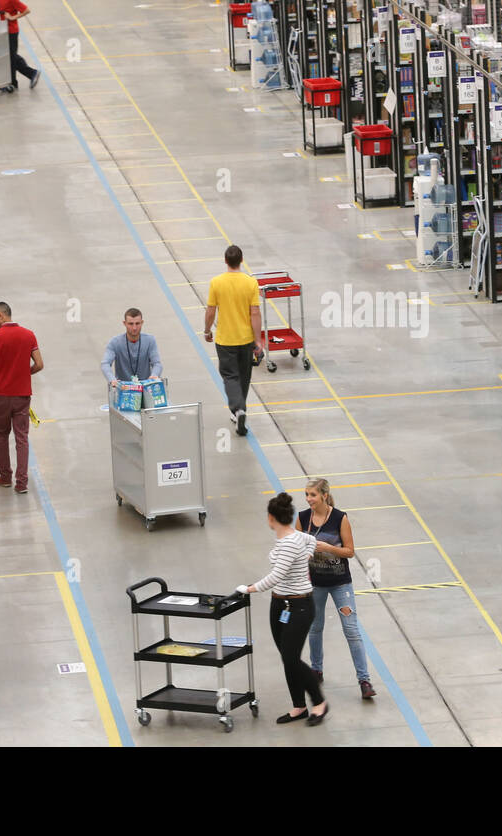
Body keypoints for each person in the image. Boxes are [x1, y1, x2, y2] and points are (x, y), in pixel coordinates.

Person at [235, 493, 328, 726]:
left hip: (299, 606)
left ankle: (319, 703)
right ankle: (299, 706)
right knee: (288, 658)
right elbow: (311, 542)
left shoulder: (288, 543)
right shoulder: (295, 537)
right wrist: (305, 556)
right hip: (280, 605)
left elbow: (276, 575)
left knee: (290, 657)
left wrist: (249, 589)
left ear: (271, 518)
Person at [299, 478, 375, 700]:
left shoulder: (340, 518)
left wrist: (329, 548)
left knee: (351, 630)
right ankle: (317, 670)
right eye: (306, 494)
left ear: (324, 495)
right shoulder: (303, 518)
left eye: (312, 495)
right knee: (315, 627)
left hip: (341, 583)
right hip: (315, 583)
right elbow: (296, 545)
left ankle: (364, 680)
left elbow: (350, 551)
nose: (308, 499)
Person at [204, 245, 263, 437]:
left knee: (230, 377)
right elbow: (255, 313)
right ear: (242, 260)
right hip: (245, 339)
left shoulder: (216, 282)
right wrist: (258, 340)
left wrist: (207, 330)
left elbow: (211, 310)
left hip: (225, 339)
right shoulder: (251, 283)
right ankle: (241, 410)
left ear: (225, 261)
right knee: (244, 376)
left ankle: (238, 409)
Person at [0, 301, 43, 494]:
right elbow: (39, 364)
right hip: (22, 394)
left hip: (1, 395)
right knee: (22, 438)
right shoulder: (29, 335)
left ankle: (5, 477)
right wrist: (24, 374)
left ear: (2, 315)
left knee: (1, 435)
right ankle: (22, 483)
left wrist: (2, 377)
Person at [100, 307, 162, 384]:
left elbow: (157, 363)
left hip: (145, 387)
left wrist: (154, 375)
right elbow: (105, 363)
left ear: (142, 322)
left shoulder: (150, 340)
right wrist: (112, 379)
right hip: (124, 389)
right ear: (124, 323)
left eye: (137, 323)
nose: (134, 328)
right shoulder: (115, 342)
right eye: (130, 324)